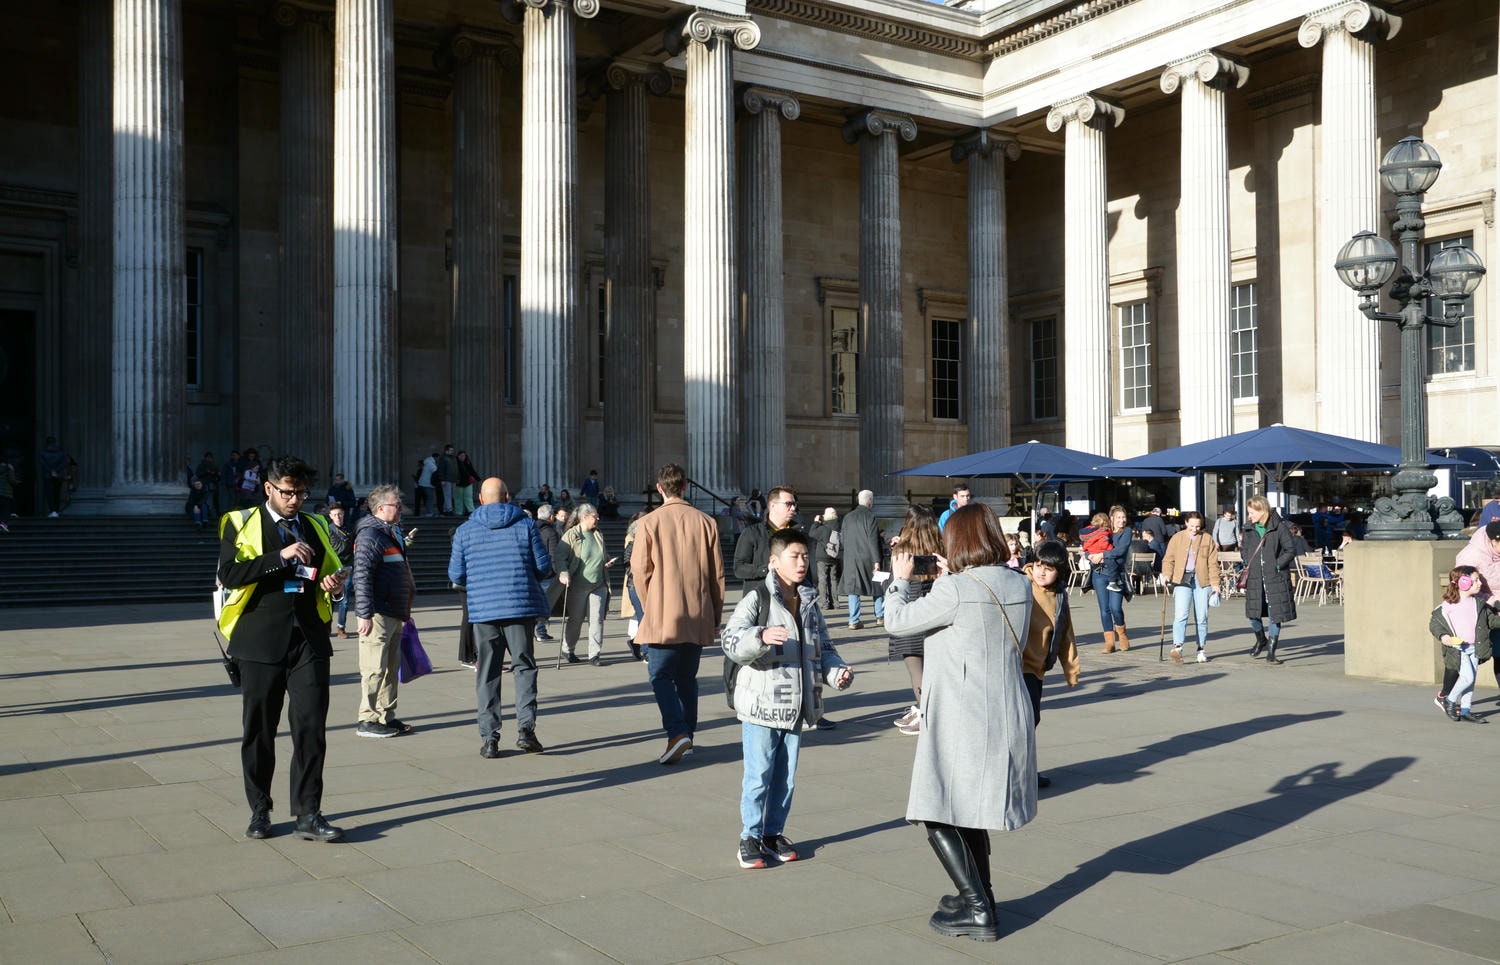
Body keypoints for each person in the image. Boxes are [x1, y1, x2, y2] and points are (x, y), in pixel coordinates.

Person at [884, 502, 1036, 943]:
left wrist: (899, 580)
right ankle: (980, 894)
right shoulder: (1018, 582)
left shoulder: (954, 591)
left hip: (962, 713)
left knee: (936, 809)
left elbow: (897, 623)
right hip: (1005, 707)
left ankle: (977, 908)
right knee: (969, 811)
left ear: (958, 542)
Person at [216, 454, 348, 842]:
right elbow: (230, 574)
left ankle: (309, 813)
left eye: (301, 493)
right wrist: (280, 556)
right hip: (259, 640)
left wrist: (335, 586)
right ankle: (260, 809)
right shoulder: (239, 522)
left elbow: (328, 570)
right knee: (259, 730)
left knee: (311, 727)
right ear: (269, 488)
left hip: (308, 638)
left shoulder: (314, 524)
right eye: (288, 492)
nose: (295, 500)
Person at [722, 528, 852, 869]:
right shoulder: (758, 598)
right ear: (774, 561)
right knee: (758, 774)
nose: (802, 562)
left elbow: (823, 647)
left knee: (785, 778)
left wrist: (836, 672)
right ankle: (749, 836)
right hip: (762, 705)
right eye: (794, 557)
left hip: (796, 706)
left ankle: (772, 833)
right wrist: (760, 635)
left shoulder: (809, 601)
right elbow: (731, 639)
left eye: (805, 556)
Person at [630, 462, 725, 765]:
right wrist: (715, 614)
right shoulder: (706, 522)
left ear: (660, 488)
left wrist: (650, 603)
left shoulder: (649, 522)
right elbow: (717, 576)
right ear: (685, 486)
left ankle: (677, 731)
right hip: (697, 611)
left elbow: (639, 570)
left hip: (664, 613)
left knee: (660, 676)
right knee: (687, 678)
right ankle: (688, 734)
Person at [449, 477, 551, 757]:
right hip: (520, 608)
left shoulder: (464, 531)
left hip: (484, 611)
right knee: (524, 668)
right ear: (507, 497)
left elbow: (455, 575)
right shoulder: (527, 525)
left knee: (487, 673)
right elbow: (543, 567)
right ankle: (526, 730)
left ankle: (490, 739)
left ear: (481, 499)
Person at [351, 485, 416, 738]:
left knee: (390, 668)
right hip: (378, 613)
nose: (400, 509)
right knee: (374, 668)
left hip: (394, 611)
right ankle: (367, 718)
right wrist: (363, 613)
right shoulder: (370, 535)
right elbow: (362, 575)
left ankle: (386, 715)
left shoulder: (390, 532)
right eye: (395, 505)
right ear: (380, 508)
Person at [1021, 540, 1080, 789]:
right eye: (1038, 565)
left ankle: (1025, 771)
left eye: (1049, 568)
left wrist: (1072, 668)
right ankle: (1019, 773)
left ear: (1060, 572)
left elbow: (1066, 633)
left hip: (1037, 669)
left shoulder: (1058, 597)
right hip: (1014, 665)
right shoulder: (1020, 585)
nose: (1041, 572)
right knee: (1021, 721)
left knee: (1031, 720)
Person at [887, 505, 942, 735]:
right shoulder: (940, 547)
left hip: (908, 612)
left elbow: (892, 582)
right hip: (934, 613)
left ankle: (924, 714)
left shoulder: (903, 549)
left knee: (916, 670)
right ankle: (925, 710)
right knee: (934, 669)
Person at [1430, 566, 1499, 723]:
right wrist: (1444, 636)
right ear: (1463, 582)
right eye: (1475, 580)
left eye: (1479, 580)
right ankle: (1449, 700)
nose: (1479, 583)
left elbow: (1491, 621)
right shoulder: (1448, 606)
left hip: (1474, 647)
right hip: (1458, 648)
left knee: (1471, 680)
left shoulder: (1479, 603)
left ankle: (1466, 710)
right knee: (1467, 678)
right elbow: (1435, 623)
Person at [1242, 494, 1296, 665]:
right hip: (1255, 576)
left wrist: (1277, 565)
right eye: (1249, 512)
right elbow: (1244, 549)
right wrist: (1246, 560)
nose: (1249, 516)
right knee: (1253, 614)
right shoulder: (1248, 528)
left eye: (1252, 512)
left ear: (1261, 510)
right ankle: (1261, 639)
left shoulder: (1279, 527)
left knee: (1275, 614)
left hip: (1275, 577)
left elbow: (1290, 550)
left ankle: (1271, 651)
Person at [559, 502, 614, 665]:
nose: (598, 518)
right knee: (576, 619)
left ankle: (594, 654)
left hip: (599, 583)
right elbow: (560, 557)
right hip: (577, 584)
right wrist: (563, 573)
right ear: (584, 517)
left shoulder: (598, 533)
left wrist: (608, 560)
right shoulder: (571, 534)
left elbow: (602, 553)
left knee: (596, 619)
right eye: (594, 516)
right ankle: (568, 649)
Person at [1161, 511, 1220, 664]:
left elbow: (1213, 564)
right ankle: (1178, 646)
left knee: (1202, 617)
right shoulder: (1177, 538)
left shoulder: (1207, 539)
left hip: (1202, 580)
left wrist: (1216, 584)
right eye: (1192, 525)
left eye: (1198, 526)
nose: (1195, 529)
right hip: (1182, 579)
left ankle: (1201, 649)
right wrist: (1167, 574)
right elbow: (1168, 559)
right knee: (1181, 615)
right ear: (1186, 523)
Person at [733, 485, 799, 592]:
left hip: (791, 600)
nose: (793, 508)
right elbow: (739, 568)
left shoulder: (798, 533)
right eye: (788, 504)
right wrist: (766, 568)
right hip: (761, 599)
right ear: (773, 506)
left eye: (794, 504)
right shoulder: (752, 533)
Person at [838, 489, 885, 630]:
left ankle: (853, 620)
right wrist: (877, 560)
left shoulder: (848, 517)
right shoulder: (870, 516)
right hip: (868, 556)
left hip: (851, 557)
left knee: (853, 588)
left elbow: (843, 538)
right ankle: (880, 617)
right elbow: (873, 540)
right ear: (870, 502)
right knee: (877, 586)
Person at [323, 503, 354, 638]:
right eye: (335, 515)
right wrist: (350, 541)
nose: (338, 517)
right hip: (333, 567)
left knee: (345, 600)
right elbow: (338, 548)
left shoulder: (348, 529)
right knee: (329, 597)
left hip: (347, 567)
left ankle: (341, 627)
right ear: (330, 516)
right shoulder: (328, 530)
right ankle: (327, 624)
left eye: (340, 514)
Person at [534, 504, 561, 642]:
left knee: (537, 603)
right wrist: (558, 573)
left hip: (535, 572)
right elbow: (554, 555)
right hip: (548, 574)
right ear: (551, 517)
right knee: (546, 604)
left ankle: (537, 629)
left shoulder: (532, 529)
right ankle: (540, 630)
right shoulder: (550, 532)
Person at [808, 507, 841, 612]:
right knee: (833, 579)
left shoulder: (823, 528)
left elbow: (811, 533)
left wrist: (816, 522)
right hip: (834, 556)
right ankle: (835, 603)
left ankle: (824, 603)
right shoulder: (838, 527)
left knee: (822, 579)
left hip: (822, 556)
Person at [39, 435, 69, 518]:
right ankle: (56, 511)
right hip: (58, 475)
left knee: (49, 494)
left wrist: (51, 471)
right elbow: (64, 463)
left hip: (48, 476)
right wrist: (56, 471)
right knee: (57, 493)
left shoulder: (43, 453)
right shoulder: (61, 453)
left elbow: (43, 464)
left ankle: (52, 511)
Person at [1140, 507, 1167, 573]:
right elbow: (1164, 532)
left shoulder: (1145, 520)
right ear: (1159, 513)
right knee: (1162, 559)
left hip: (1148, 542)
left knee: (1150, 559)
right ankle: (1161, 574)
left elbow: (1142, 532)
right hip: (1160, 542)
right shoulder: (1160, 519)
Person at [195, 451, 221, 520]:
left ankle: (215, 513)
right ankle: (207, 514)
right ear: (205, 458)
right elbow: (198, 474)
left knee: (214, 500)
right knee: (205, 501)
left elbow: (219, 475)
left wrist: (216, 474)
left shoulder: (214, 465)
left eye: (210, 458)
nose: (209, 459)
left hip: (213, 485)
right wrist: (206, 472)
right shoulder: (201, 465)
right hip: (205, 485)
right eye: (208, 458)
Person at [453, 450, 480, 516]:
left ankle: (470, 510)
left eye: (464, 456)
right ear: (458, 456)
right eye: (461, 456)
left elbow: (472, 470)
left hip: (467, 482)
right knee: (458, 498)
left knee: (468, 497)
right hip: (459, 482)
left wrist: (478, 479)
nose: (463, 457)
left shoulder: (467, 462)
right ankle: (459, 512)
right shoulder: (455, 463)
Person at [435, 444, 458, 514]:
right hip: (446, 480)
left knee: (450, 495)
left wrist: (457, 478)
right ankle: (449, 510)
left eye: (452, 450)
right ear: (446, 451)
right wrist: (442, 479)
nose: (452, 452)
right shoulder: (443, 458)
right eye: (450, 450)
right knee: (447, 495)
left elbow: (455, 469)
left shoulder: (453, 458)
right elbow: (441, 470)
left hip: (453, 480)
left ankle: (445, 509)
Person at [415, 453, 438, 517]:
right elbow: (436, 472)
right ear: (436, 458)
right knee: (429, 498)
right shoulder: (431, 464)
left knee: (427, 498)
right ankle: (429, 512)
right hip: (428, 484)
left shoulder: (427, 463)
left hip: (422, 484)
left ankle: (428, 512)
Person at [0, 453, 14, 531]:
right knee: (6, 510)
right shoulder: (8, 468)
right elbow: (12, 480)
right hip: (6, 493)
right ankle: (3, 524)